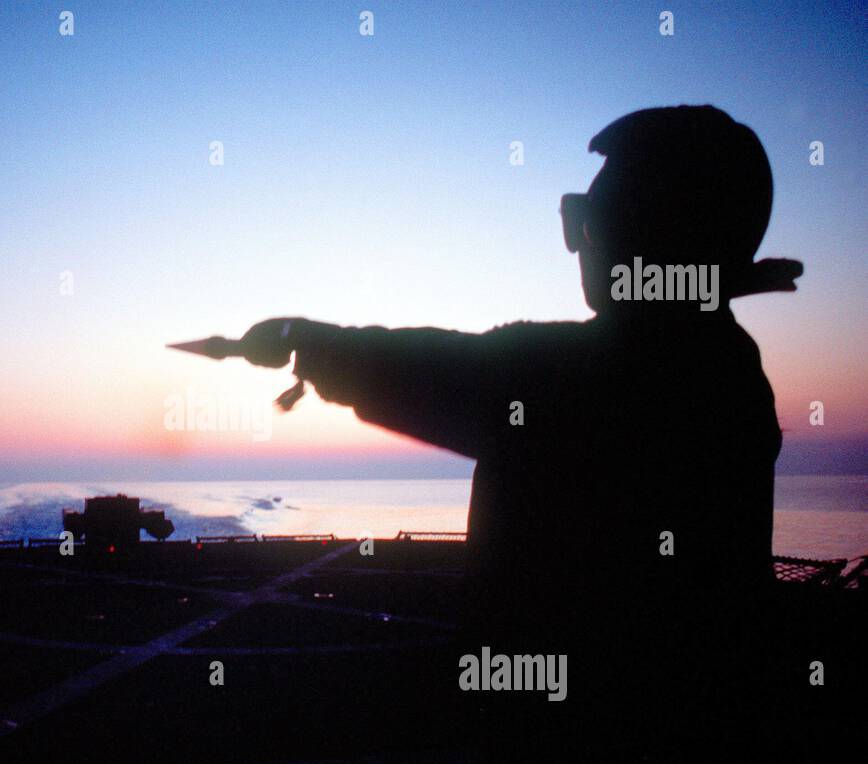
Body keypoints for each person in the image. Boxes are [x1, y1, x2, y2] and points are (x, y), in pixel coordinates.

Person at [237, 105, 801, 616]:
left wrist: (300, 338)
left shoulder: (601, 375)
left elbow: (454, 374)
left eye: (592, 219)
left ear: (659, 231)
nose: (579, 243)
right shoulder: (725, 366)